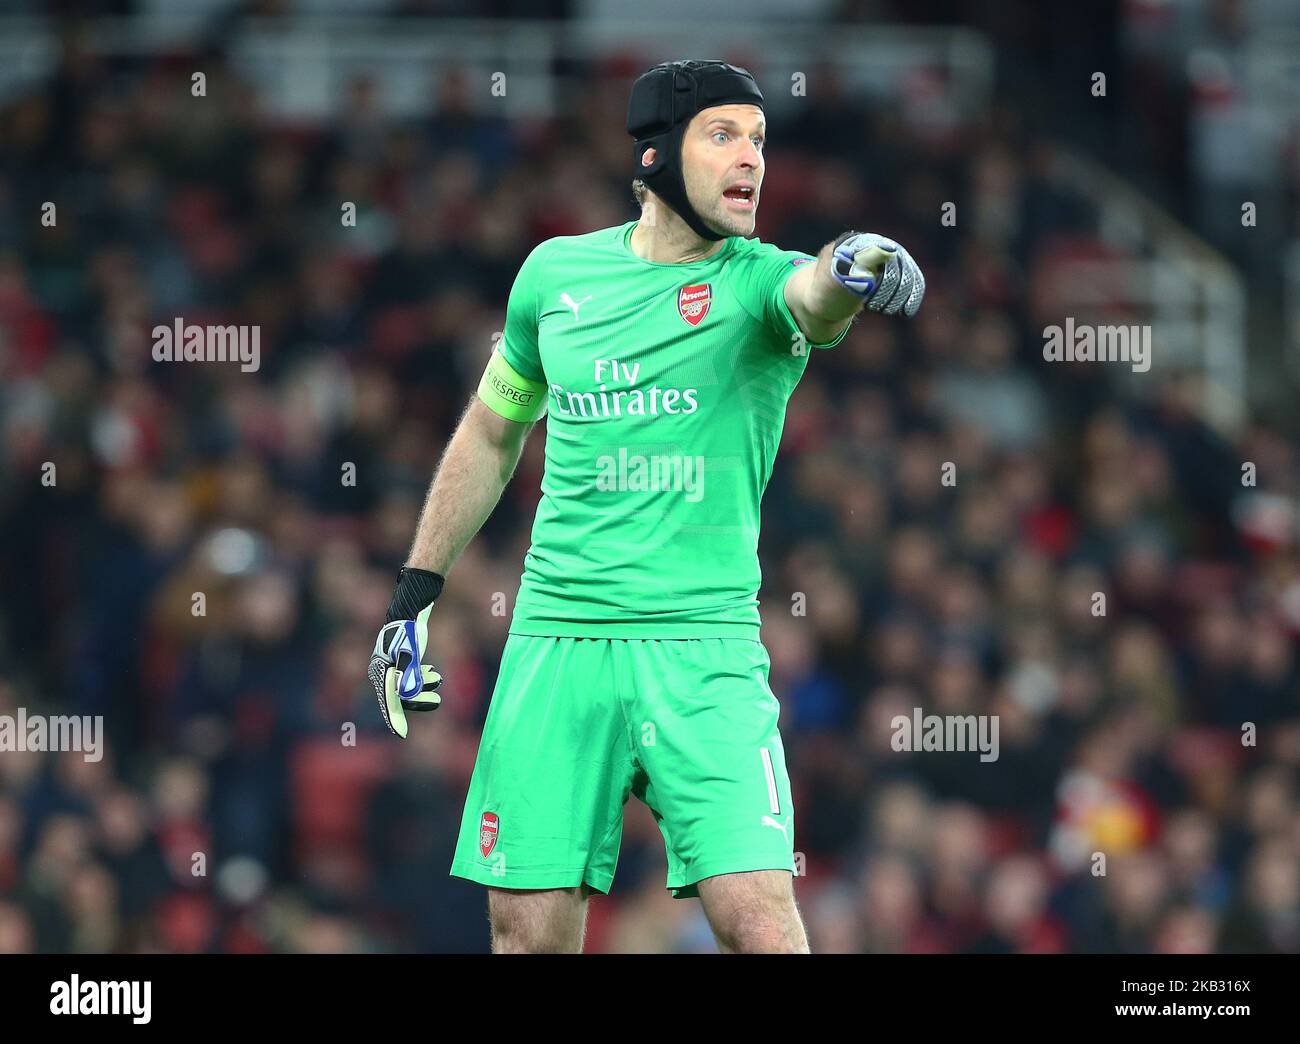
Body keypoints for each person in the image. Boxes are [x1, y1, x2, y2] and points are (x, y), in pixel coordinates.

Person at [368, 59, 926, 953]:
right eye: (724, 135)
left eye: (760, 140)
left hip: (701, 651)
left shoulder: (753, 284)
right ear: (657, 157)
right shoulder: (554, 278)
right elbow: (490, 432)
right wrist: (413, 594)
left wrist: (855, 260)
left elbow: (814, 295)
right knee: (526, 937)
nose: (752, 158)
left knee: (760, 925)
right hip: (556, 642)